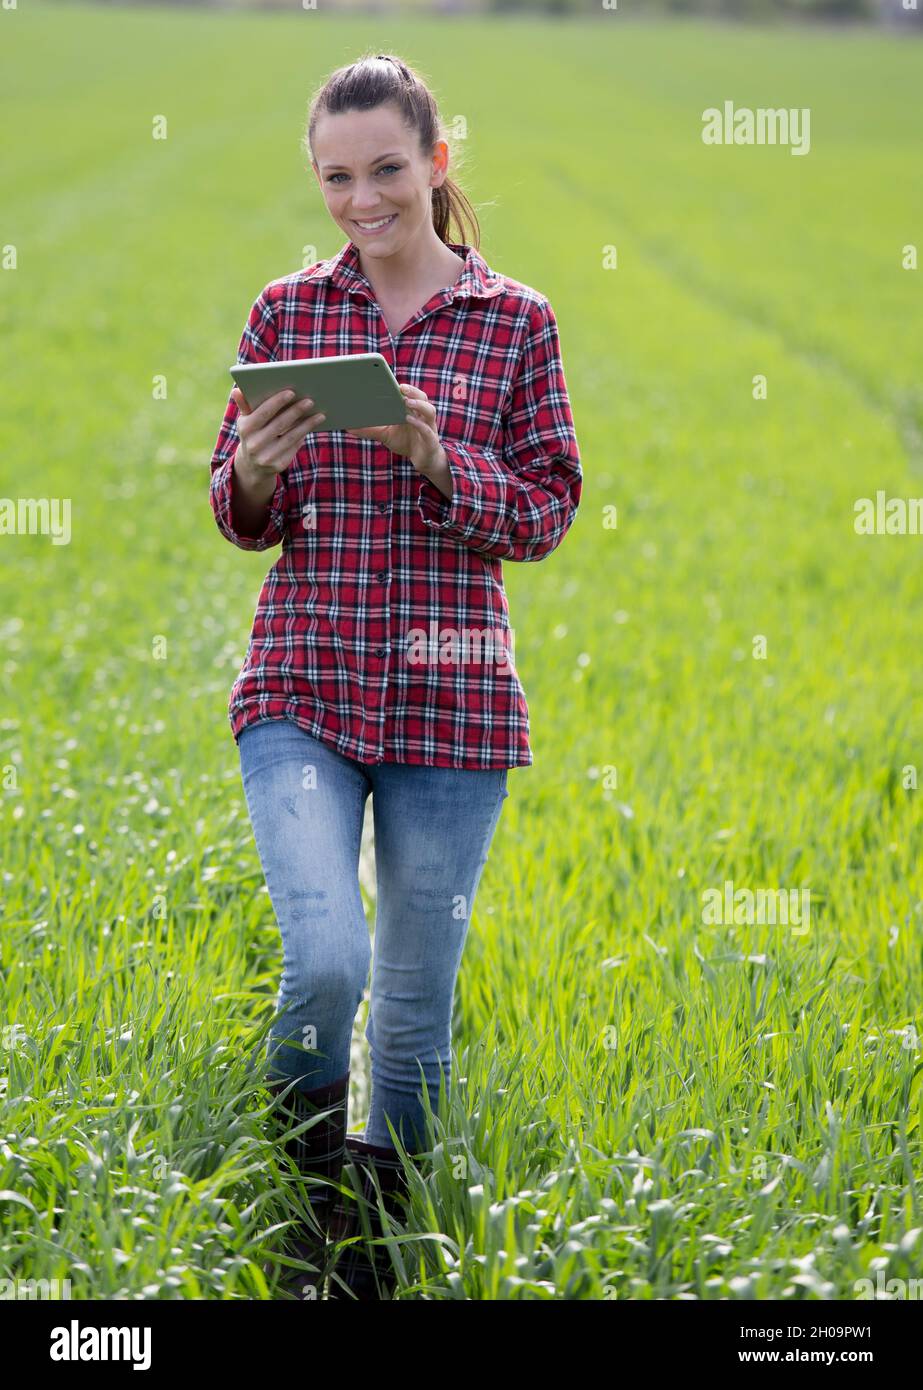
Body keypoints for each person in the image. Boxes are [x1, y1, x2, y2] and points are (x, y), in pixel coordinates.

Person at [208, 51, 582, 1300]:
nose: (360, 201)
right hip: (301, 685)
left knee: (412, 1013)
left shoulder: (515, 322)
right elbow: (239, 513)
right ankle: (303, 1216)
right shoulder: (286, 312)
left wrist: (429, 449)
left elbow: (541, 514)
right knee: (326, 960)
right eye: (333, 177)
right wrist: (254, 470)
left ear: (432, 161)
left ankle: (371, 1263)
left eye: (382, 172)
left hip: (452, 704)